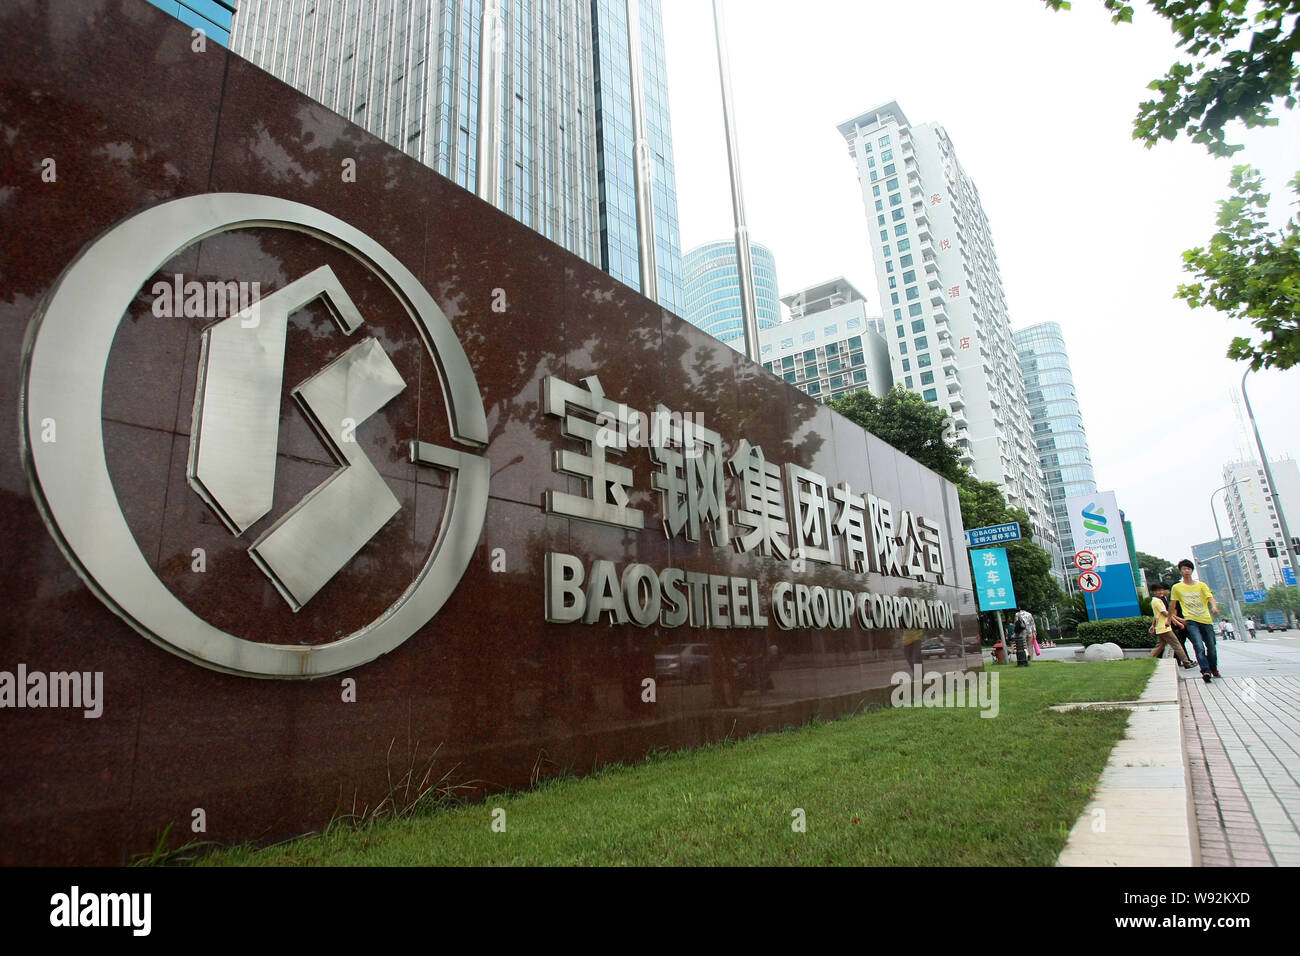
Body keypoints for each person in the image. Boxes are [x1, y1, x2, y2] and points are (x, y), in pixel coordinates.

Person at [1170, 559, 1221, 682]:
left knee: (1211, 647)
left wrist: (1214, 607)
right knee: (1199, 646)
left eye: (1188, 568)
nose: (1186, 571)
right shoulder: (1177, 587)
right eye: (1184, 569)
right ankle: (1205, 671)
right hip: (1191, 621)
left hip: (1206, 620)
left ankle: (1213, 668)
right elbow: (1172, 604)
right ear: (1181, 571)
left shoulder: (1201, 585)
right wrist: (1169, 618)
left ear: (1192, 570)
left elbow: (1210, 598)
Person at [1148, 582, 1195, 668]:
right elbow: (1166, 613)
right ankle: (1187, 663)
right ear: (1153, 592)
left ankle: (1147, 661)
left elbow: (1156, 616)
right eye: (1158, 591)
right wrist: (1178, 622)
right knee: (1177, 645)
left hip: (1161, 627)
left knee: (1160, 646)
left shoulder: (1157, 600)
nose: (1160, 592)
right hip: (1165, 627)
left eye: (1161, 590)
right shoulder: (1157, 601)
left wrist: (1153, 625)